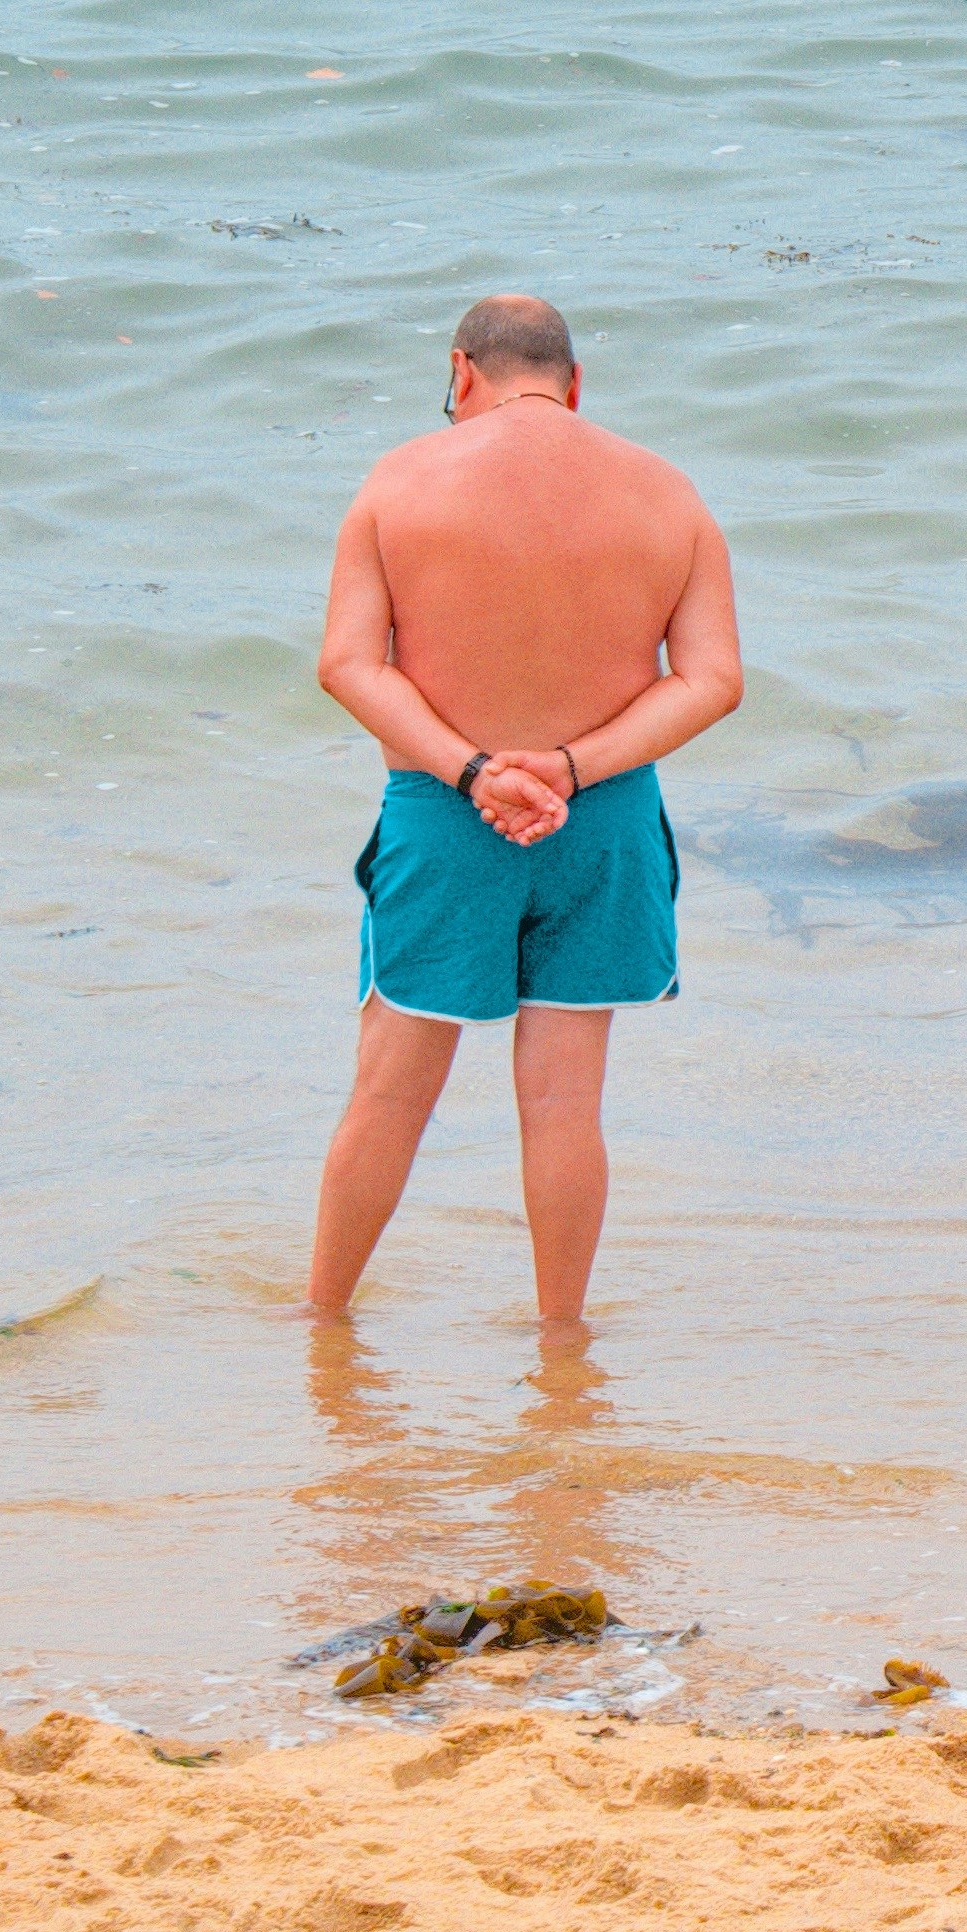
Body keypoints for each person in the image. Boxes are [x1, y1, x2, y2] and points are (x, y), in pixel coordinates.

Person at [303, 294, 742, 1325]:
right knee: (562, 1103)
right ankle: (560, 1340)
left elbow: (348, 664)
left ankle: (321, 1319)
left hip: (448, 816)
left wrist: (474, 771)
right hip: (603, 824)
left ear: (463, 374)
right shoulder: (668, 493)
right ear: (574, 382)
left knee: (390, 1093)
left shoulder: (400, 482)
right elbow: (713, 679)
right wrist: (571, 767)